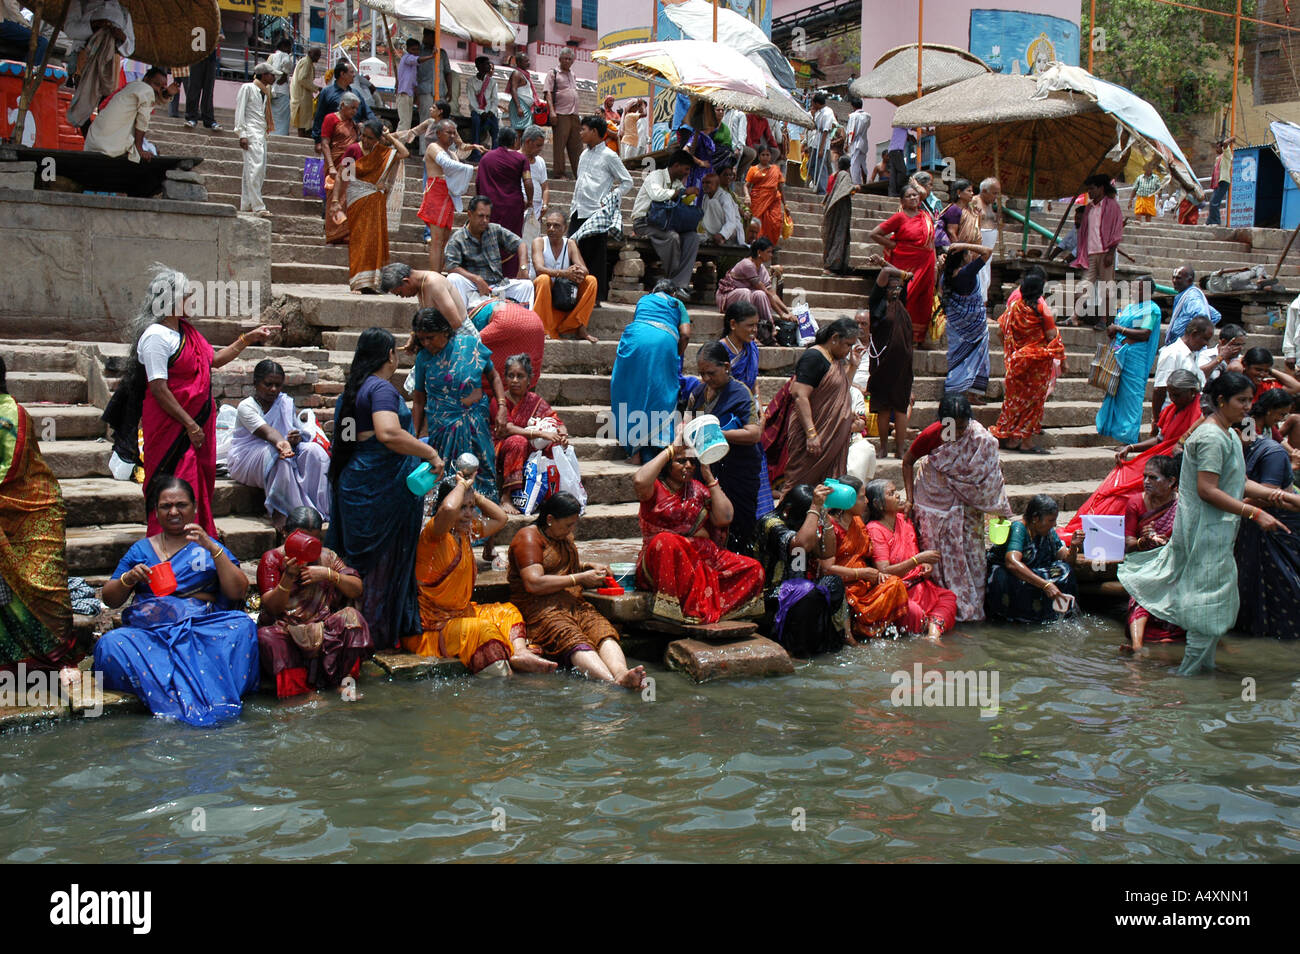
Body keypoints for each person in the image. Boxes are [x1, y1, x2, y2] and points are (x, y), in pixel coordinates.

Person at [1119, 372, 1290, 675]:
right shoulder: (1211, 436)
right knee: (1206, 605)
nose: (1247, 407)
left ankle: (1196, 679)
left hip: (1217, 534)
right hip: (1204, 535)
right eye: (1241, 401)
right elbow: (1208, 490)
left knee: (1213, 603)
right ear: (1221, 401)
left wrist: (1281, 497)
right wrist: (1255, 513)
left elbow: (1241, 483)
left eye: (1250, 400)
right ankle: (1188, 685)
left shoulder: (1229, 434)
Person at [95, 477, 258, 726]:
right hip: (151, 632)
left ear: (194, 508)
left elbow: (237, 592)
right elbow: (110, 599)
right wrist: (128, 579)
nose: (173, 512)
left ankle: (207, 698)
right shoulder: (140, 550)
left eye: (181, 505)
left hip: (198, 628)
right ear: (156, 512)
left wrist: (212, 549)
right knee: (110, 644)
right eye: (165, 506)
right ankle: (174, 699)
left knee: (242, 626)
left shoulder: (208, 545)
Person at [127, 266, 276, 536]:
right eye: (186, 295)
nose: (191, 301)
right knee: (178, 482)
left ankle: (199, 534)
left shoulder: (187, 332)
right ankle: (170, 543)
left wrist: (249, 338)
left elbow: (215, 360)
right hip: (171, 426)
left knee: (200, 480)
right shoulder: (155, 337)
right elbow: (159, 388)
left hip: (198, 423)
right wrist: (189, 425)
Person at [327, 328, 442, 650]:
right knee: (381, 565)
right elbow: (389, 433)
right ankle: (375, 637)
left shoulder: (353, 390)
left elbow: (347, 441)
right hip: (381, 489)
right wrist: (430, 453)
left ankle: (350, 636)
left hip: (354, 483)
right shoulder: (381, 390)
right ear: (389, 355)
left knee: (358, 565)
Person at [404, 477, 550, 675]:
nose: (469, 514)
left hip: (462, 613)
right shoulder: (434, 535)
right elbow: (447, 510)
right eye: (462, 507)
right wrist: (462, 485)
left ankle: (520, 653)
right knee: (483, 630)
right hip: (433, 626)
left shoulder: (465, 532)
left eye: (471, 507)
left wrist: (475, 496)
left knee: (507, 612)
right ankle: (505, 679)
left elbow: (501, 518)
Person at [503, 493, 641, 687]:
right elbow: (534, 583)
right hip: (540, 610)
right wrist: (579, 578)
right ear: (550, 519)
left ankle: (622, 673)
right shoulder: (528, 537)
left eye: (574, 524)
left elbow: (564, 567)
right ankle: (611, 683)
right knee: (569, 636)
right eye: (568, 525)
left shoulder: (562, 537)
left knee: (601, 630)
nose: (572, 529)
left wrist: (587, 568)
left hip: (573, 603)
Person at [903, 395, 1013, 622]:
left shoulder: (981, 438)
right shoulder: (932, 434)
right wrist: (910, 499)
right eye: (951, 427)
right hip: (933, 502)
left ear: (969, 422)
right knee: (939, 558)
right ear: (941, 422)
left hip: (968, 505)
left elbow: (989, 476)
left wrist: (996, 510)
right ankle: (944, 605)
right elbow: (907, 461)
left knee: (973, 556)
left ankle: (972, 608)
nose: (958, 432)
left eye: (962, 427)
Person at [0, 356, 77, 670]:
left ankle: (54, 658)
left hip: (33, 510)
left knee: (44, 591)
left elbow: (9, 466)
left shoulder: (9, 412)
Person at [632, 444, 765, 624]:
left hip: (703, 557)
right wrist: (671, 449)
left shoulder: (698, 489)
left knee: (753, 568)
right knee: (667, 541)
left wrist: (709, 477)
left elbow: (725, 517)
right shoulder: (654, 487)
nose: (688, 465)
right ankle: (680, 610)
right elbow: (639, 480)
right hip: (664, 558)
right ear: (667, 464)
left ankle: (707, 610)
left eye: (692, 462)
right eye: (681, 461)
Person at [1065, 368, 1204, 536]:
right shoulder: (1171, 410)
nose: (1173, 399)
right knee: (1116, 486)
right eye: (1171, 395)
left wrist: (1181, 442)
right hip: (1160, 461)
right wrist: (1130, 447)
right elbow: (1161, 439)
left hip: (1177, 467)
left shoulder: (1201, 411)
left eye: (1177, 395)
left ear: (1191, 392)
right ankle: (1095, 530)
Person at [256, 506, 371, 698]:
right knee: (267, 637)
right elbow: (272, 607)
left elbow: (357, 588)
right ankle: (298, 693)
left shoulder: (326, 557)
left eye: (313, 539)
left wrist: (330, 575)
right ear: (285, 534)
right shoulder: (272, 559)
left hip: (322, 627)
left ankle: (345, 683)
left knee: (352, 617)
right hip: (287, 629)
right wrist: (288, 577)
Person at [408, 308, 505, 503]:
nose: (426, 343)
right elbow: (419, 400)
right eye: (422, 339)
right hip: (442, 430)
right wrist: (414, 437)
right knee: (444, 478)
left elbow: (493, 376)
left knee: (481, 473)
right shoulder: (423, 359)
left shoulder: (471, 345)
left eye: (430, 337)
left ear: (444, 331)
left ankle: (482, 525)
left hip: (475, 426)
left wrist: (502, 406)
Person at [680, 342, 764, 554]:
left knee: (738, 525)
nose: (706, 379)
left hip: (737, 470)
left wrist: (715, 435)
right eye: (702, 374)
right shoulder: (698, 392)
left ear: (726, 366)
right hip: (706, 470)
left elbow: (753, 433)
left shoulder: (740, 393)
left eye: (711, 373)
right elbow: (687, 422)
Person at [227, 359, 331, 527]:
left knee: (315, 451)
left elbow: (294, 430)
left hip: (283, 447)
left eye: (278, 385)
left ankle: (318, 508)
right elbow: (268, 432)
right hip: (246, 458)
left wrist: (295, 439)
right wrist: (283, 444)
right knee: (278, 456)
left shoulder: (285, 402)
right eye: (268, 384)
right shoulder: (246, 407)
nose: (273, 390)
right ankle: (281, 512)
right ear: (256, 383)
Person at [1235, 390, 1300, 640]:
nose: (1281, 420)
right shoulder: (1250, 434)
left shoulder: (1270, 451)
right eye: (1280, 415)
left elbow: (1269, 493)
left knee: (1283, 582)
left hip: (1275, 526)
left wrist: (1232, 504)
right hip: (1254, 520)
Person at [756, 484, 847, 655]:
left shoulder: (807, 523)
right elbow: (801, 544)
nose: (812, 520)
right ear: (788, 511)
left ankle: (842, 639)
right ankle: (795, 650)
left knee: (833, 583)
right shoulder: (770, 523)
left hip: (802, 591)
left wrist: (824, 517)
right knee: (806, 591)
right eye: (809, 516)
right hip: (770, 596)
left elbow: (827, 553)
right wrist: (814, 508)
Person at [863, 479, 957, 637]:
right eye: (891, 494)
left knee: (948, 598)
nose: (898, 496)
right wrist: (917, 560)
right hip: (900, 592)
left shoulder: (903, 519)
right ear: (878, 504)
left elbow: (912, 549)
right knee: (914, 613)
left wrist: (925, 564)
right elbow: (884, 571)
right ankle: (928, 636)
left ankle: (933, 636)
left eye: (896, 491)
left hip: (921, 586)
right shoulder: (875, 529)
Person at [820, 477, 911, 640]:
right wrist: (860, 573)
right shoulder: (830, 529)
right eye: (862, 497)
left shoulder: (856, 521)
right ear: (847, 500)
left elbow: (866, 554)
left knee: (894, 584)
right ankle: (856, 634)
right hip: (843, 586)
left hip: (864, 583)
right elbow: (826, 569)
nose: (867, 501)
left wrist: (876, 573)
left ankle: (874, 633)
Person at [778, 317, 861, 494]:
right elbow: (800, 395)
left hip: (832, 438)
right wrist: (811, 433)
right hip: (814, 435)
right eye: (847, 345)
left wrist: (853, 366)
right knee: (800, 487)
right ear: (834, 338)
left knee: (827, 488)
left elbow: (839, 389)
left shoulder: (836, 360)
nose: (848, 351)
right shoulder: (814, 357)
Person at [610, 280, 691, 460]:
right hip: (663, 344)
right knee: (659, 394)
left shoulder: (644, 300)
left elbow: (640, 323)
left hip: (633, 341)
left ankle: (634, 450)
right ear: (674, 294)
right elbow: (685, 334)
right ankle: (655, 448)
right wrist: (676, 354)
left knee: (630, 390)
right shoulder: (677, 303)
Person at [991, 268, 1066, 454]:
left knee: (1014, 401)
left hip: (1017, 362)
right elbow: (1051, 336)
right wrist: (1062, 358)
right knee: (1033, 402)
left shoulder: (1013, 308)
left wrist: (1014, 351)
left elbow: (1000, 332)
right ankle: (1026, 442)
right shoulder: (1043, 309)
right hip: (1037, 365)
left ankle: (1009, 440)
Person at [332, 119, 407, 293]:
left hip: (376, 200)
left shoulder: (383, 153)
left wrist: (389, 136)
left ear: (378, 139)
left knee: (375, 240)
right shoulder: (353, 149)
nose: (366, 140)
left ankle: (373, 283)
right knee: (359, 240)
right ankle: (358, 282)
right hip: (357, 198)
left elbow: (404, 152)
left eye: (371, 138)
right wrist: (336, 200)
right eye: (364, 136)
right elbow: (343, 175)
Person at [985, 494, 1082, 624]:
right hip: (1014, 575)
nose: (1055, 524)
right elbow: (1012, 562)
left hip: (1036, 570)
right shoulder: (1019, 529)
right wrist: (1045, 585)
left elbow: (1066, 560)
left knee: (1066, 570)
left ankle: (1059, 614)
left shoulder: (1049, 532)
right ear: (1035, 518)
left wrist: (1074, 546)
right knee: (1008, 579)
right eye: (1051, 520)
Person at [569, 114, 634, 305]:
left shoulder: (609, 156)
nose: (581, 133)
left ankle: (595, 298)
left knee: (595, 257)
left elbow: (627, 181)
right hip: (578, 210)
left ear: (595, 132)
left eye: (584, 129)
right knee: (573, 253)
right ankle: (573, 294)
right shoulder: (583, 154)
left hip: (596, 212)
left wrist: (611, 197)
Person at [492, 353, 568, 511]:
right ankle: (506, 496)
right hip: (500, 449)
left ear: (529, 380)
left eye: (520, 376)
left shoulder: (534, 400)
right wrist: (540, 434)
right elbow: (507, 428)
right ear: (505, 378)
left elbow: (555, 420)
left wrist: (562, 434)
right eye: (511, 376)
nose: (514, 381)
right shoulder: (499, 402)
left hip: (528, 449)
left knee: (552, 445)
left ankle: (549, 496)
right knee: (517, 441)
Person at [1123, 455, 1184, 650]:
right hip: (1142, 563)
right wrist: (1144, 541)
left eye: (1153, 478)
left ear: (1171, 481)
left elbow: (1188, 541)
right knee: (1141, 589)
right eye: (1145, 477)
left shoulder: (1183, 505)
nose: (1146, 482)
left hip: (1174, 562)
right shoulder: (1135, 502)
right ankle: (1137, 645)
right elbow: (1128, 543)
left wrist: (1167, 543)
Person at [1095, 276, 1161, 446]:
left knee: (1132, 398)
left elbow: (1144, 332)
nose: (1132, 291)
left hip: (1135, 359)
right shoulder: (1131, 307)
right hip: (1120, 355)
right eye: (1132, 287)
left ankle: (1130, 439)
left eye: (1137, 288)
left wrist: (1119, 329)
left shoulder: (1151, 310)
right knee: (1118, 395)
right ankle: (1124, 435)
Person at [869, 184, 937, 343]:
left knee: (923, 299)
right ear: (902, 201)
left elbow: (932, 242)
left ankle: (916, 337)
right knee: (906, 296)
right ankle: (898, 333)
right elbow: (874, 233)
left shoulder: (926, 216)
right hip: (906, 264)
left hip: (927, 263)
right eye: (909, 196)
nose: (913, 198)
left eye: (915, 195)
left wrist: (935, 266)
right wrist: (893, 246)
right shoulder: (899, 217)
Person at [631, 149, 704, 298]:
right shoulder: (655, 175)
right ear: (676, 165)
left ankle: (680, 283)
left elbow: (679, 204)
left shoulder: (677, 183)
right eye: (686, 169)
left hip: (667, 224)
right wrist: (682, 192)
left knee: (692, 237)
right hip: (645, 223)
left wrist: (688, 195)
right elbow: (657, 194)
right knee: (672, 237)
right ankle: (673, 284)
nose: (687, 173)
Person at [444, 196, 535, 307]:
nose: (485, 221)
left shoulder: (494, 229)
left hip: (499, 285)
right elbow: (451, 267)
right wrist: (476, 279)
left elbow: (521, 244)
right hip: (473, 287)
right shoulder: (458, 238)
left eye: (488, 217)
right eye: (481, 216)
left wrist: (523, 267)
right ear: (470, 214)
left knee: (527, 285)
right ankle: (462, 322)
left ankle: (522, 322)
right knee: (453, 279)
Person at [866, 266, 915, 459]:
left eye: (899, 288)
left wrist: (904, 278)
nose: (896, 291)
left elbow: (909, 277)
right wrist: (902, 273)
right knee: (883, 407)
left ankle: (900, 449)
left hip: (902, 366)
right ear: (883, 289)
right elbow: (886, 270)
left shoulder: (901, 303)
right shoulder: (876, 302)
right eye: (892, 288)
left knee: (900, 407)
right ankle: (884, 447)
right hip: (882, 363)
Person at [82, 67, 178, 162]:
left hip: (94, 143)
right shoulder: (146, 89)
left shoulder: (135, 86)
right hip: (107, 146)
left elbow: (156, 98)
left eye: (162, 88)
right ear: (146, 79)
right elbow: (142, 121)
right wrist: (139, 150)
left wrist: (167, 93)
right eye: (156, 84)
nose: (158, 89)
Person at [531, 208, 598, 342]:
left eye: (556, 226)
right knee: (543, 279)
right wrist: (565, 273)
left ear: (565, 228)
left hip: (563, 293)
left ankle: (579, 326)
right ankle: (542, 329)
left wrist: (576, 272)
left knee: (591, 280)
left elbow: (584, 269)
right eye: (548, 225)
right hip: (543, 292)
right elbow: (539, 269)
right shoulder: (539, 242)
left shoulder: (570, 243)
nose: (551, 229)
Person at [417, 119, 475, 272]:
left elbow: (457, 168)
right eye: (448, 132)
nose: (452, 136)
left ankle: (438, 272)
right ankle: (434, 276)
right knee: (436, 240)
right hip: (436, 192)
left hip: (448, 195)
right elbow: (447, 165)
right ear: (438, 133)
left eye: (454, 133)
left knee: (444, 240)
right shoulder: (433, 147)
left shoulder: (452, 154)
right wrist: (472, 168)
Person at [939, 243, 994, 403]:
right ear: (962, 257)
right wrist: (962, 244)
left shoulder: (946, 277)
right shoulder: (967, 273)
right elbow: (988, 251)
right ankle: (970, 394)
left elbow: (941, 294)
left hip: (957, 328)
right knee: (979, 359)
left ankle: (956, 391)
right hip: (975, 327)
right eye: (968, 253)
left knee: (957, 359)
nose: (971, 255)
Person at [475, 127, 533, 279]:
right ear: (515, 141)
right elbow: (528, 182)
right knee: (512, 240)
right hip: (512, 208)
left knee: (488, 237)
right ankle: (510, 276)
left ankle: (487, 274)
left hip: (489, 207)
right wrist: (530, 201)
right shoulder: (521, 159)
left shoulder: (486, 158)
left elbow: (478, 182)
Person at [1071, 174, 1124, 325]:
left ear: (1101, 188)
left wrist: (1111, 252)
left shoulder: (1112, 206)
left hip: (1106, 252)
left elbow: (1117, 230)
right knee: (1083, 287)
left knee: (1106, 288)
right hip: (1090, 253)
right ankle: (1075, 316)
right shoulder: (1089, 207)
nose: (1090, 192)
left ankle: (1103, 319)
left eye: (1092, 189)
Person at [716, 238, 788, 345]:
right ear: (759, 252)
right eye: (768, 252)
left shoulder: (762, 268)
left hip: (748, 298)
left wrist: (787, 312)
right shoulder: (747, 264)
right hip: (727, 296)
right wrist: (781, 314)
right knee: (746, 292)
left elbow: (771, 292)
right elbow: (766, 291)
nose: (771, 255)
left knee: (760, 295)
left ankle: (770, 332)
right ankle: (751, 335)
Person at [1152, 316, 1218, 422]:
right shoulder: (1173, 353)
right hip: (1173, 416)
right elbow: (1160, 389)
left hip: (1190, 415)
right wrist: (1156, 420)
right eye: (1205, 339)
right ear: (1194, 334)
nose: (1207, 344)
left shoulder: (1193, 354)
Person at [379, 262, 472, 330]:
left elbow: (455, 322)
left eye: (400, 293)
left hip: (461, 336)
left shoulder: (434, 284)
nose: (402, 297)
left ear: (406, 281)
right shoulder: (420, 285)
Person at [233, 63, 274, 217]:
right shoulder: (248, 88)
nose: (274, 77)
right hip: (251, 132)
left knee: (254, 170)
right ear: (264, 75)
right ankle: (258, 205)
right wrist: (242, 133)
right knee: (255, 169)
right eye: (271, 74)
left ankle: (247, 204)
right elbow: (240, 110)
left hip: (260, 132)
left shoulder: (265, 92)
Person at [320, 92, 361, 245]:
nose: (354, 112)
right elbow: (325, 143)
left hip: (349, 162)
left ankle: (345, 232)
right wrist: (330, 165)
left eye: (356, 109)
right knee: (334, 197)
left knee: (347, 198)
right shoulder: (331, 119)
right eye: (352, 108)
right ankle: (333, 233)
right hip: (335, 162)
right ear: (343, 105)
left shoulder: (353, 124)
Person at [311, 60, 372, 144]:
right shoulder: (327, 92)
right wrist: (318, 141)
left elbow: (368, 113)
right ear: (342, 74)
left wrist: (378, 126)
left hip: (354, 140)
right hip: (334, 140)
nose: (354, 75)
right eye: (351, 72)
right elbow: (319, 117)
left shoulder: (356, 93)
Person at [544, 47, 582, 177]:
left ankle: (579, 173)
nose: (567, 61)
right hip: (560, 113)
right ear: (559, 59)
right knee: (559, 145)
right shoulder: (553, 73)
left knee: (576, 145)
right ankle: (559, 173)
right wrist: (552, 112)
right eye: (565, 58)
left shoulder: (573, 74)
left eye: (570, 59)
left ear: (573, 61)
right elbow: (547, 93)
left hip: (574, 114)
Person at [1165, 265, 1222, 346]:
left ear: (1190, 280)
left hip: (1184, 347)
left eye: (1178, 278)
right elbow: (1215, 315)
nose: (1174, 281)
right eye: (1173, 277)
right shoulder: (1185, 295)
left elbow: (1203, 316)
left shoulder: (1192, 297)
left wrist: (1190, 338)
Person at [182, 26, 223, 130]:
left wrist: (210, 37)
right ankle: (191, 118)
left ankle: (209, 120)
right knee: (193, 88)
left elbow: (222, 36)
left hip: (210, 58)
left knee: (208, 90)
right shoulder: (195, 20)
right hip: (196, 57)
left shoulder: (214, 20)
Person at [823, 156, 857, 275]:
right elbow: (846, 189)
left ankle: (837, 265)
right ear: (849, 166)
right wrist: (855, 187)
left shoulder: (835, 175)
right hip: (841, 210)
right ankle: (831, 266)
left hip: (838, 210)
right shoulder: (845, 175)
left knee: (837, 237)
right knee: (839, 237)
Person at [745, 145, 785, 245]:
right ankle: (756, 247)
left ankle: (769, 248)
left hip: (773, 201)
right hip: (757, 201)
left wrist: (786, 204)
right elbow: (746, 186)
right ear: (759, 156)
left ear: (770, 156)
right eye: (763, 155)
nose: (765, 157)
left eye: (767, 155)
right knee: (756, 225)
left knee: (775, 223)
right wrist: (747, 196)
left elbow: (780, 188)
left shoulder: (775, 169)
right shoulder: (753, 169)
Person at [520, 124, 550, 254]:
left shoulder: (540, 162)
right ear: (528, 142)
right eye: (538, 145)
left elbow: (545, 187)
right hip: (519, 207)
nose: (541, 149)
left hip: (536, 210)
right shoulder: (516, 158)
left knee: (532, 245)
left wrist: (545, 204)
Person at [701, 168, 746, 247]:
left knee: (713, 203)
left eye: (708, 183)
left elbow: (731, 222)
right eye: (703, 183)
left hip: (731, 232)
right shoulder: (705, 197)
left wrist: (722, 234)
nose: (705, 185)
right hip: (714, 232)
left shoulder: (725, 197)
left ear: (716, 185)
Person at [975, 177, 1001, 304]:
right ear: (984, 191)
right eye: (994, 193)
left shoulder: (990, 205)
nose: (996, 196)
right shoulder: (975, 201)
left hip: (989, 248)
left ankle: (983, 308)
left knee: (986, 279)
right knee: (979, 278)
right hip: (979, 248)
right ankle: (980, 309)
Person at [467, 55, 501, 149]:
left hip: (490, 111)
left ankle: (495, 152)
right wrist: (481, 113)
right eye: (486, 64)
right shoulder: (471, 82)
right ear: (478, 66)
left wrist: (491, 111)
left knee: (495, 130)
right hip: (477, 111)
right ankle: (476, 151)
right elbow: (472, 100)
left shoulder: (492, 82)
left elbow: (495, 100)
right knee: (475, 123)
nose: (489, 66)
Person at [939, 179, 982, 249]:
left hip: (971, 250)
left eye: (972, 191)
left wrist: (977, 215)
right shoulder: (954, 210)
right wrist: (960, 250)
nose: (972, 193)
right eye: (969, 191)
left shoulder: (970, 210)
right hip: (959, 251)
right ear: (959, 192)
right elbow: (951, 232)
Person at [291, 45, 322, 137]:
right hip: (302, 96)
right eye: (316, 55)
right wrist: (317, 88)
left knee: (304, 122)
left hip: (305, 95)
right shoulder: (306, 62)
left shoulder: (308, 62)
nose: (318, 58)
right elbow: (302, 79)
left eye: (318, 56)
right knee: (303, 123)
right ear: (309, 53)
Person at [267, 38, 294, 136]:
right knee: (283, 116)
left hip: (272, 89)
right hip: (282, 90)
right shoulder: (285, 55)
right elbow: (287, 63)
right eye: (289, 47)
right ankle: (281, 135)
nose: (290, 49)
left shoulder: (272, 56)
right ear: (284, 47)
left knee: (274, 115)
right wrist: (284, 75)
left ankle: (272, 133)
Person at [506, 50, 537, 136]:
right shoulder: (516, 73)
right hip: (519, 105)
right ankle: (515, 149)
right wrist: (519, 107)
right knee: (518, 132)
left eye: (528, 60)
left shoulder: (525, 74)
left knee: (524, 133)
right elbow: (513, 89)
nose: (528, 63)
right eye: (526, 61)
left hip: (525, 106)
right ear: (519, 62)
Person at [395, 38, 421, 133]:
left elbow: (414, 83)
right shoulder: (407, 58)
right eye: (413, 49)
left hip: (409, 95)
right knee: (404, 124)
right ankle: (397, 146)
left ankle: (400, 145)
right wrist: (432, 56)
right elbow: (418, 60)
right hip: (403, 94)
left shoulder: (413, 66)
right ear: (408, 49)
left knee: (407, 124)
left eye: (417, 50)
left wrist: (417, 98)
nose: (416, 52)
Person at [844, 96, 871, 186]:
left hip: (855, 142)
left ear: (853, 106)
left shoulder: (853, 116)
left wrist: (848, 143)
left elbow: (851, 130)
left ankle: (856, 183)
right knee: (862, 162)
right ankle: (864, 180)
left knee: (854, 163)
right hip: (864, 140)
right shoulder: (868, 116)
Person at [1207, 139, 1232, 225]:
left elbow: (1225, 143)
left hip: (1223, 181)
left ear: (1222, 148)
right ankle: (1209, 222)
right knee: (1212, 202)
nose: (1216, 149)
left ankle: (1216, 222)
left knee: (1214, 202)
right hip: (1217, 182)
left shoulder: (1226, 154)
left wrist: (1232, 138)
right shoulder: (1218, 158)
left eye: (1218, 147)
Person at [885, 125, 912, 197]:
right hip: (897, 150)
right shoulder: (903, 123)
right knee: (902, 171)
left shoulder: (899, 126)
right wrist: (926, 132)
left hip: (892, 150)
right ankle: (900, 191)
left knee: (894, 173)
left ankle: (892, 192)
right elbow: (914, 127)